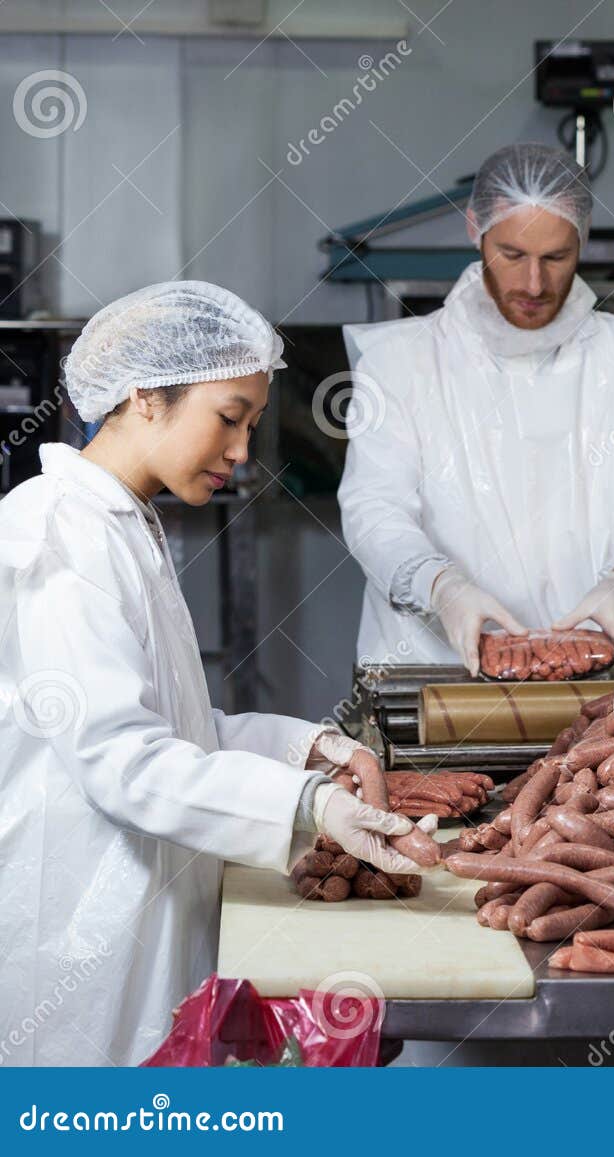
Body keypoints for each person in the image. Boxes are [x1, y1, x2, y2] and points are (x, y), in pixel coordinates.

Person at [0, 282, 424, 1066]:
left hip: (141, 927)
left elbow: (172, 727)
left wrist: (306, 750)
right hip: (76, 953)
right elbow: (121, 761)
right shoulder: (58, 532)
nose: (240, 450)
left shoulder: (125, 522)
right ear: (145, 397)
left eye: (253, 425)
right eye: (229, 417)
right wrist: (308, 804)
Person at [338, 143, 614, 675]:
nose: (534, 284)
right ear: (474, 228)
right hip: (430, 677)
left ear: (584, 238)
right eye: (512, 255)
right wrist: (441, 587)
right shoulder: (397, 365)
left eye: (556, 258)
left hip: (602, 685)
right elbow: (374, 510)